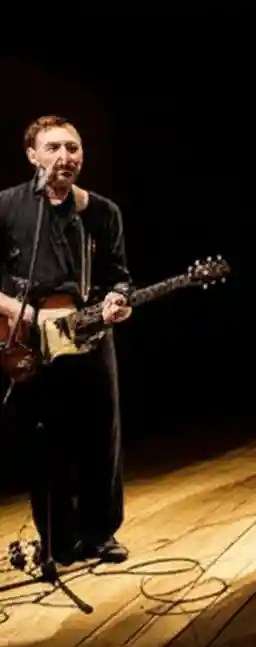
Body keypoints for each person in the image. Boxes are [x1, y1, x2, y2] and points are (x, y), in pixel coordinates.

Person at [0, 115, 133, 565]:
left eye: (73, 148)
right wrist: (23, 312)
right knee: (46, 440)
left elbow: (120, 279)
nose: (65, 157)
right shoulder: (7, 207)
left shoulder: (100, 212)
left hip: (92, 336)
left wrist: (118, 300)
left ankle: (101, 533)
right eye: (54, 147)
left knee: (101, 436)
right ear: (32, 155)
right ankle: (58, 538)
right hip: (31, 341)